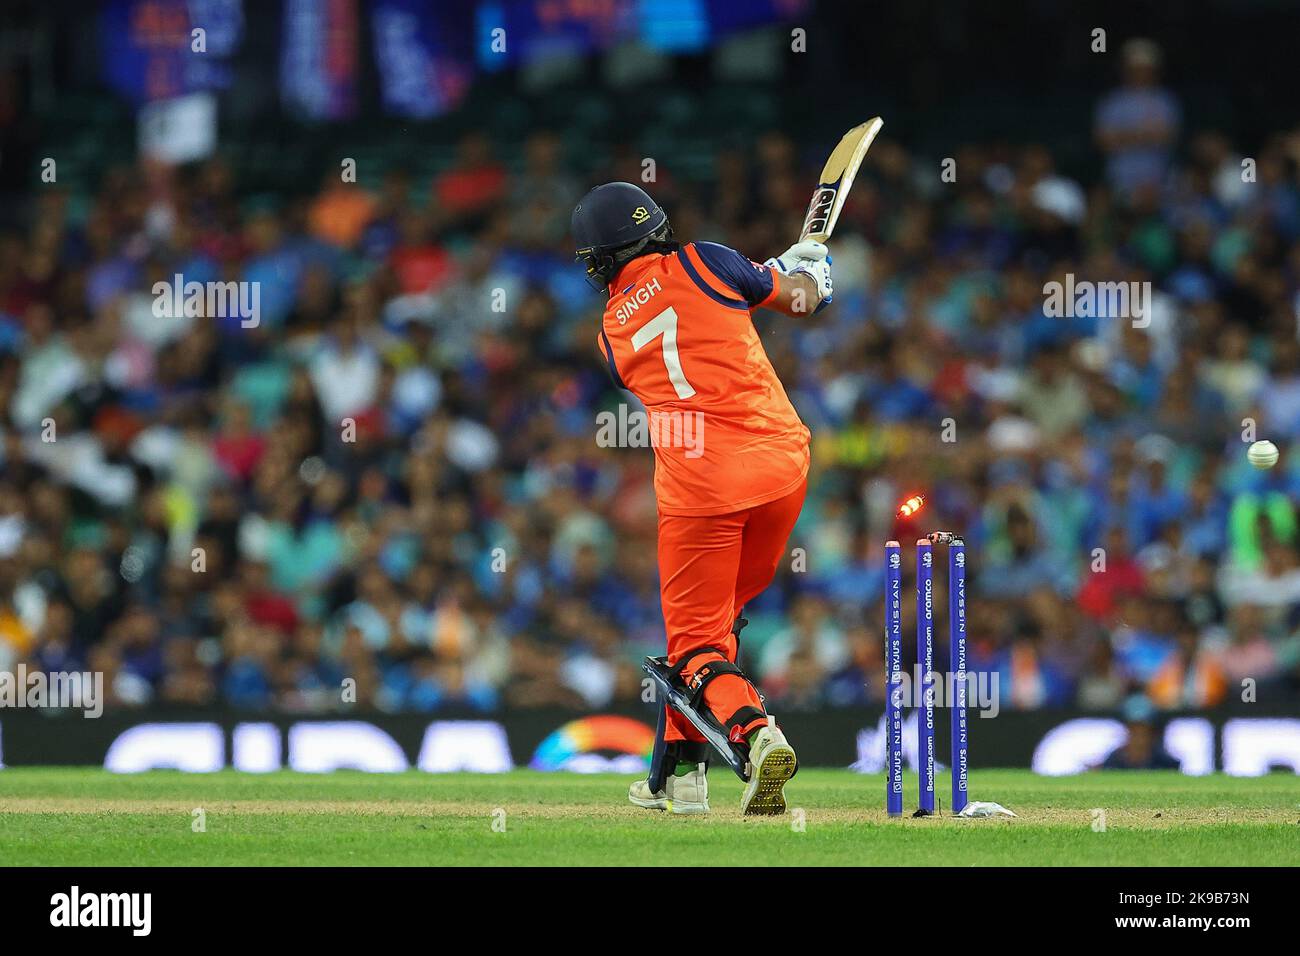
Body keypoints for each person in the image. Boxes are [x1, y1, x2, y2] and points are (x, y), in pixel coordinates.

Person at [572, 182, 832, 814]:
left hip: (702, 491)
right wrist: (814, 274)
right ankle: (679, 779)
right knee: (716, 631)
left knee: (696, 649)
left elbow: (679, 323)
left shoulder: (610, 334)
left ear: (603, 258)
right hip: (781, 468)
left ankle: (755, 734)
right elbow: (791, 299)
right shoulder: (704, 258)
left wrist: (783, 270)